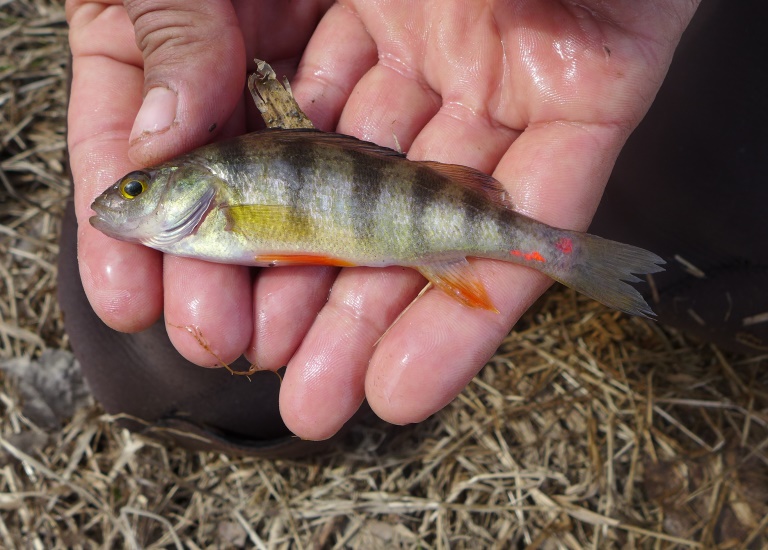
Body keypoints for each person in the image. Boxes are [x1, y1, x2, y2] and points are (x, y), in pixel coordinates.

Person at [61, 0, 764, 456]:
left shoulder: (217, 198)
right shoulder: (205, 201)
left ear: (188, 189)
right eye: (134, 186)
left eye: (138, 187)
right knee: (146, 362)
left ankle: (614, 267)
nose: (119, 199)